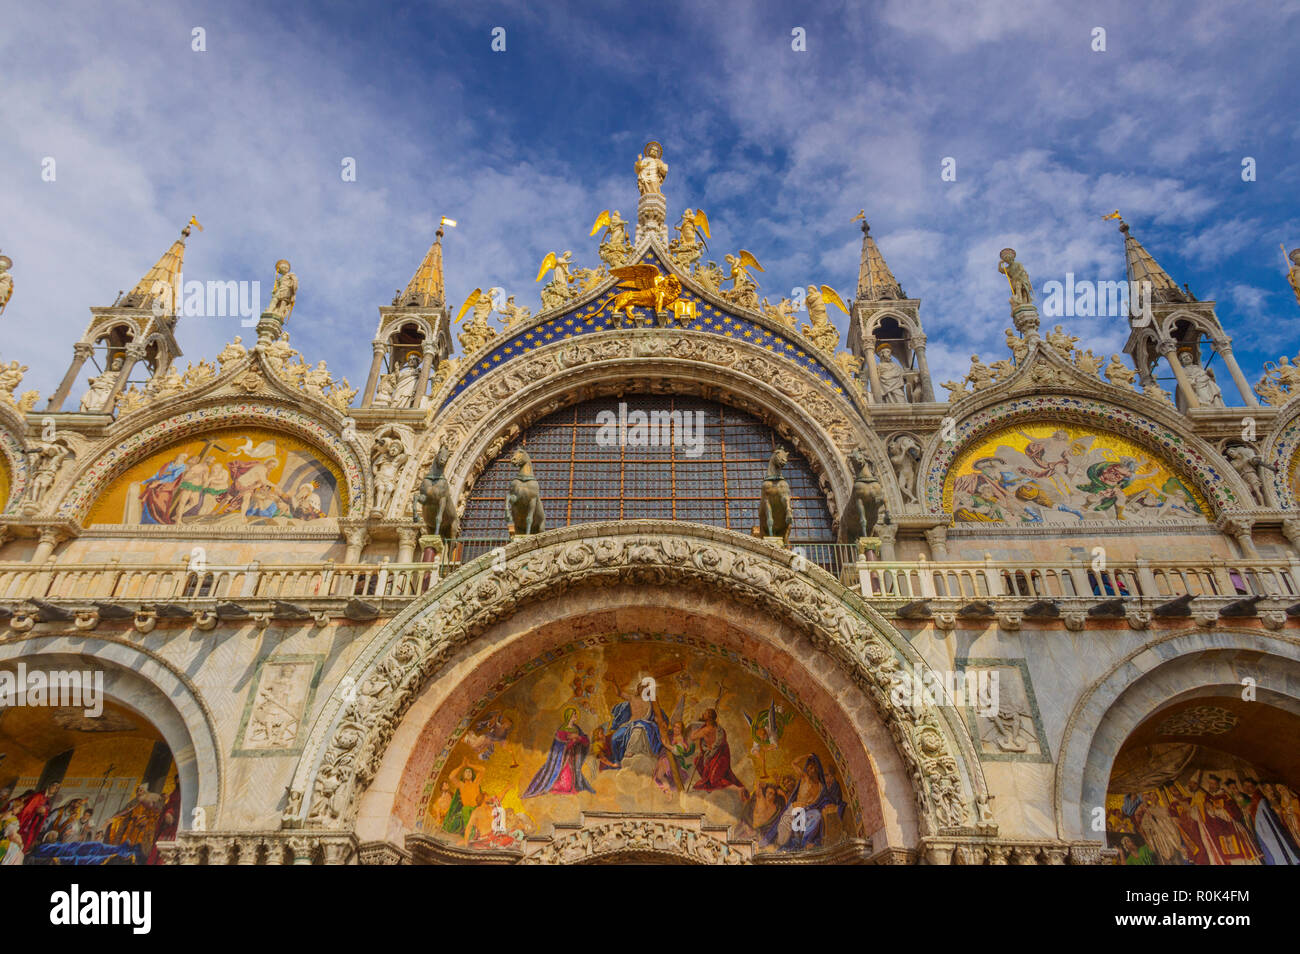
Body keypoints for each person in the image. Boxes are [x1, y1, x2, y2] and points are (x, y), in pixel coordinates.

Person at [523, 708, 595, 797]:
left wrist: (578, 737)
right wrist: (571, 741)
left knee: (570, 782)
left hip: (572, 758)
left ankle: (570, 785)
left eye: (576, 714)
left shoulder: (577, 729)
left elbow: (585, 741)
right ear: (569, 716)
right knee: (564, 783)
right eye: (574, 714)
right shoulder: (561, 730)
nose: (576, 716)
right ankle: (552, 784)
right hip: (562, 760)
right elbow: (559, 745)